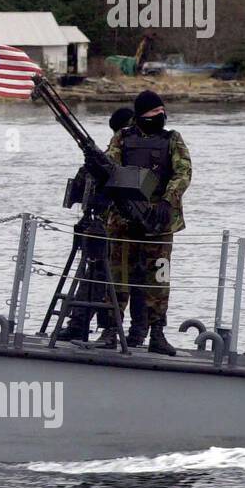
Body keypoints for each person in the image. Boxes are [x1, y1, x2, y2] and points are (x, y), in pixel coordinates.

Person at [104, 90, 192, 355]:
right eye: (153, 112)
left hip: (160, 223)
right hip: (124, 221)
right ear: (140, 115)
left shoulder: (172, 139)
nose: (160, 116)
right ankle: (111, 331)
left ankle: (157, 333)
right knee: (118, 277)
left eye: (161, 111)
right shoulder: (122, 137)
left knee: (158, 280)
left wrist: (167, 200)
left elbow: (183, 171)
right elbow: (111, 165)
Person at [56, 106, 134, 345]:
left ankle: (110, 328)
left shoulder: (127, 154)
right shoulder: (113, 153)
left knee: (107, 279)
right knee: (93, 276)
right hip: (103, 225)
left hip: (123, 228)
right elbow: (82, 186)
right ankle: (79, 323)